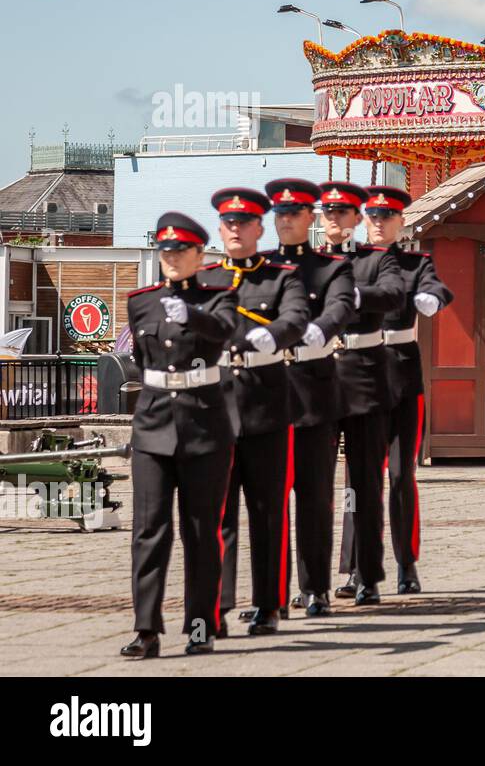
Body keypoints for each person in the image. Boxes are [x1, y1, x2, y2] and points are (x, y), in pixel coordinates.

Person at [122, 213, 239, 658]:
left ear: (198, 255)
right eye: (165, 251)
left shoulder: (220, 295)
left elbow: (227, 330)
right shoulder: (141, 302)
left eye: (180, 251)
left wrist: (192, 315)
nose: (171, 258)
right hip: (153, 424)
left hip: (204, 423)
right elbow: (139, 357)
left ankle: (200, 625)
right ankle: (146, 628)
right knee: (149, 530)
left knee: (200, 530)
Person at [199, 188, 308, 637]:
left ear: (260, 228)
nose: (237, 230)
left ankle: (269, 604)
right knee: (217, 514)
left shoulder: (282, 277)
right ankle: (217, 607)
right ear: (220, 230)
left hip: (265, 402)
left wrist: (275, 335)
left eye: (245, 223)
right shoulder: (205, 280)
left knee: (267, 512)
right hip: (216, 407)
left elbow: (297, 318)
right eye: (229, 224)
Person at [264, 179, 355, 618]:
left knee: (314, 496)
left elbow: (340, 306)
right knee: (268, 501)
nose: (285, 221)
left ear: (310, 217)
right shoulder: (258, 267)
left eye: (294, 213)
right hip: (264, 393)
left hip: (314, 389)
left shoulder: (330, 267)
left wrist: (325, 328)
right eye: (279, 214)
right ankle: (272, 593)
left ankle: (315, 587)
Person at [357, 185, 453, 594]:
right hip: (358, 375)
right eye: (373, 217)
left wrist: (430, 298)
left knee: (400, 476)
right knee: (360, 481)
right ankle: (359, 569)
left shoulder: (415, 264)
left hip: (400, 374)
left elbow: (436, 288)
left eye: (388, 217)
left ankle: (406, 563)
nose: (379, 223)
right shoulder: (351, 263)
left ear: (400, 223)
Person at [318, 182, 404, 605]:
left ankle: (361, 572)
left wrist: (353, 295)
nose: (334, 219)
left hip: (363, 374)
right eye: (328, 211)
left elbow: (393, 293)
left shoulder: (375, 261)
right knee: (313, 483)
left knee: (363, 482)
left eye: (343, 212)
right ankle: (310, 581)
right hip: (316, 377)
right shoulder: (306, 264)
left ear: (357, 219)